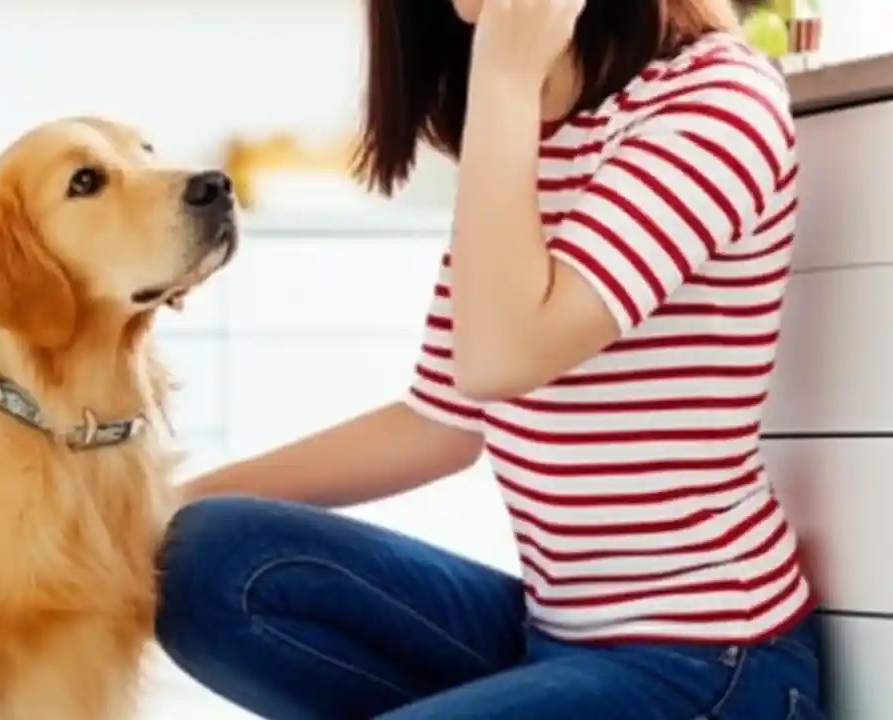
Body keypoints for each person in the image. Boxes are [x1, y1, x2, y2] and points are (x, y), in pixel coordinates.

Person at [153, 0, 824, 718]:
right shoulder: (535, 125)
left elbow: (500, 359)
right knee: (200, 556)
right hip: (553, 636)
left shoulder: (718, 100)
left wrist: (503, 77)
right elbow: (440, 422)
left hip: (715, 666)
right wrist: (146, 512)